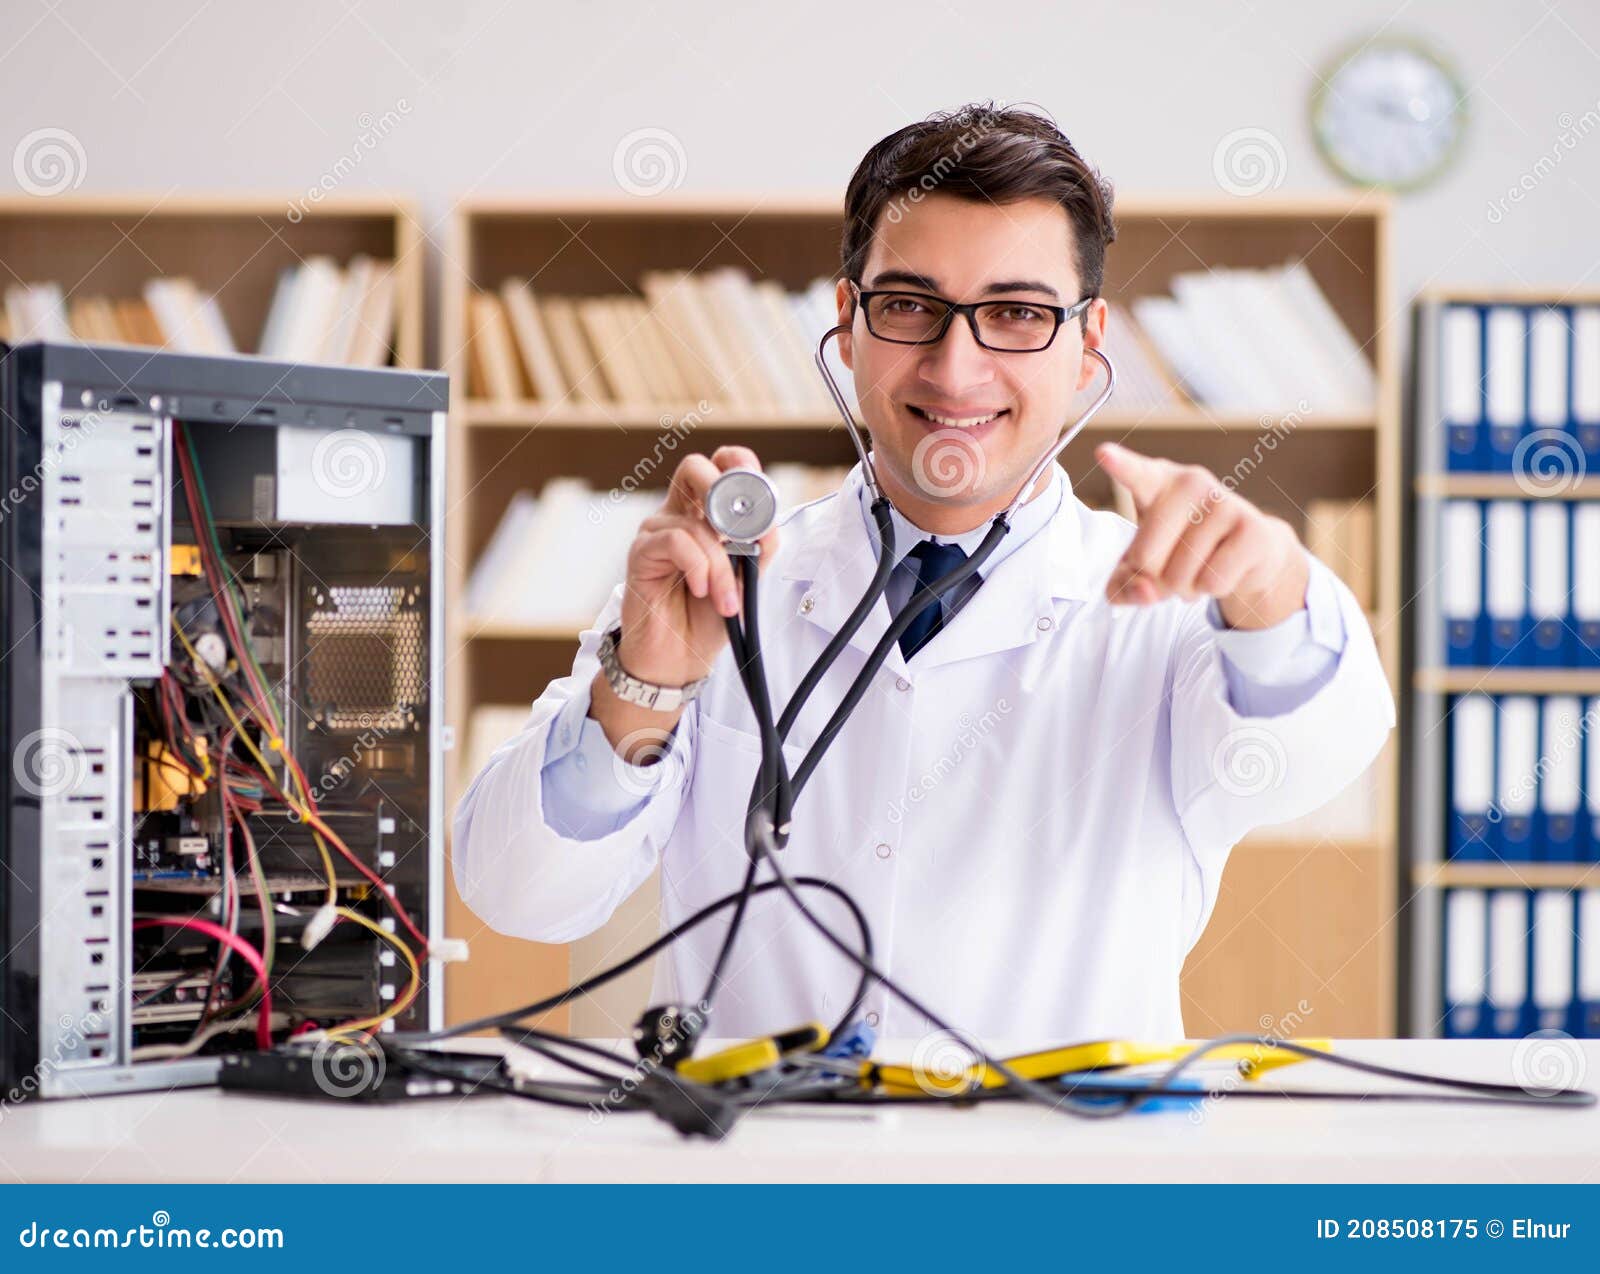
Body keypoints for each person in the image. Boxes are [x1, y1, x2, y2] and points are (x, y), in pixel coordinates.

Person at [453, 103, 1395, 1041]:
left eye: (1017, 314)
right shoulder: (721, 586)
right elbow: (520, 895)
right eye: (909, 306)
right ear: (848, 322)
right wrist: (645, 685)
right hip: (768, 1168)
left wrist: (1271, 587)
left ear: (1088, 344)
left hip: (1064, 1170)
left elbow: (1314, 758)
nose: (955, 368)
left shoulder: (1168, 609)